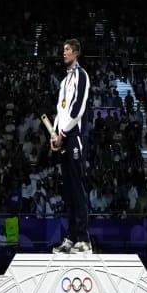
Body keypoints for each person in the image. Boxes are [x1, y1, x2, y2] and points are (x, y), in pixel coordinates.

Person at [50, 37, 92, 257]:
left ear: (76, 53)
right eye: (63, 49)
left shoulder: (81, 75)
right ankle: (72, 236)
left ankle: (83, 237)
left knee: (77, 187)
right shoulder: (65, 80)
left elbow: (78, 106)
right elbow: (61, 108)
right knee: (68, 190)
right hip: (64, 136)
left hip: (75, 136)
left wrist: (64, 133)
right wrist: (55, 132)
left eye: (67, 50)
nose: (63, 53)